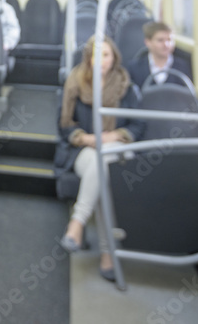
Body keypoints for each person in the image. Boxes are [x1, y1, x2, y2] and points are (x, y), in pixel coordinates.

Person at [56, 36, 145, 281]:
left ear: (114, 57)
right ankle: (108, 254)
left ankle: (78, 222)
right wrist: (87, 139)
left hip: (118, 147)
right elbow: (64, 126)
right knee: (102, 170)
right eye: (97, 55)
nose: (102, 61)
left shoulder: (126, 85)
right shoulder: (75, 81)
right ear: (89, 59)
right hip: (85, 148)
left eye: (106, 55)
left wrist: (113, 136)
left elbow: (138, 125)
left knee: (103, 162)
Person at [126, 21, 193, 89]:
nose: (166, 45)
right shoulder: (134, 68)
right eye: (160, 40)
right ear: (148, 42)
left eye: (169, 40)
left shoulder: (183, 67)